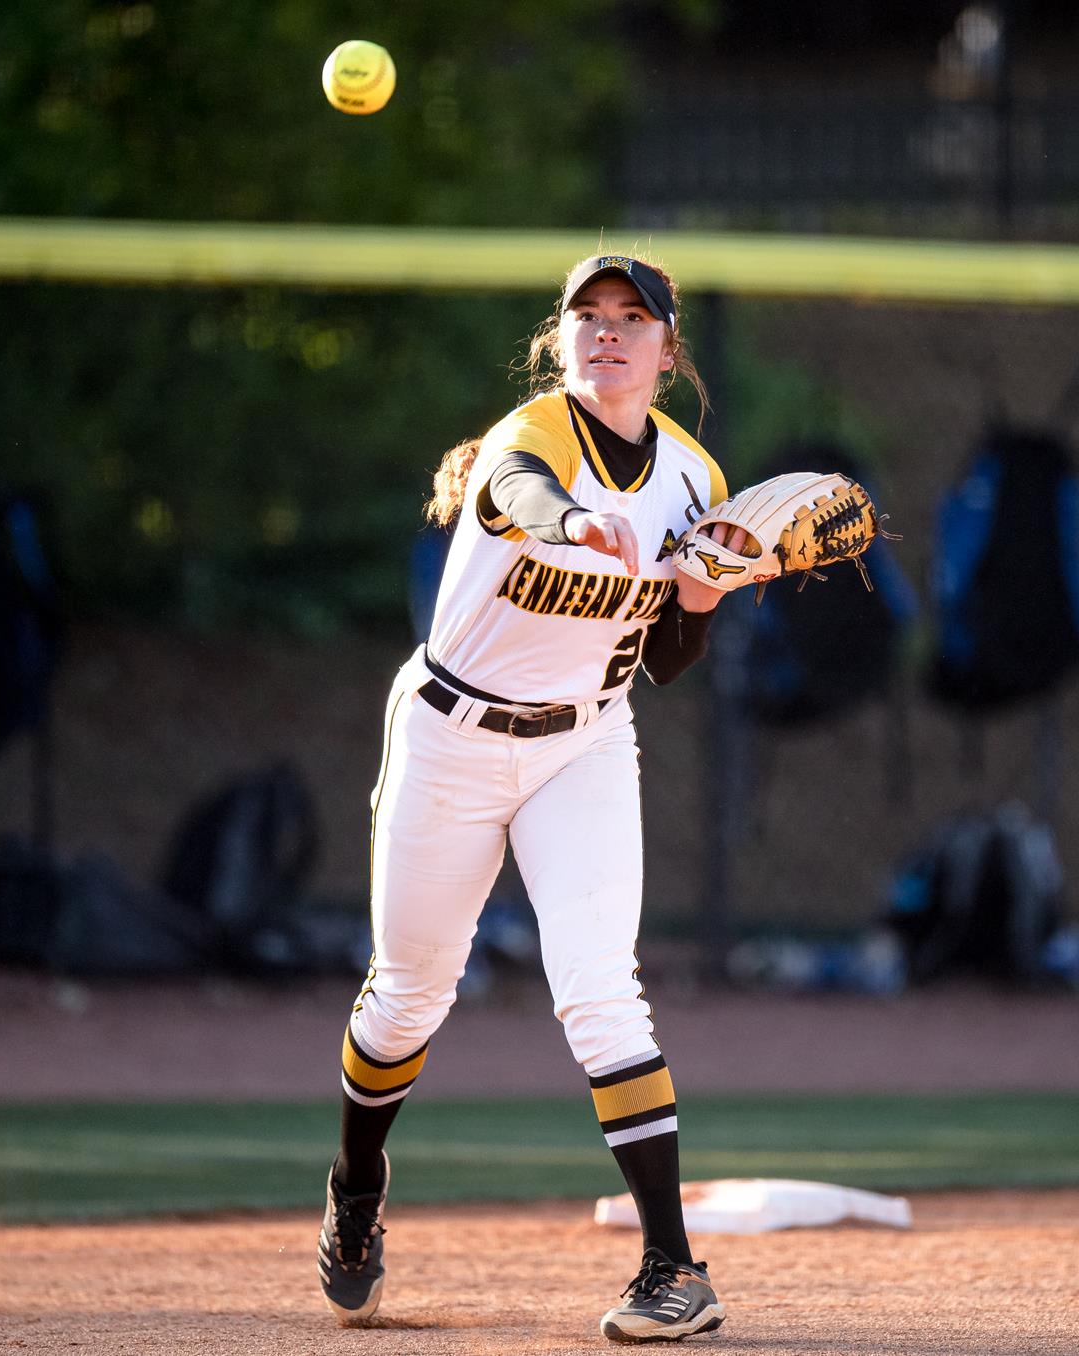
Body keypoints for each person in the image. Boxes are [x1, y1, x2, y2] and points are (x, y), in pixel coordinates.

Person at [317, 252, 734, 1344]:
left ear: (665, 349)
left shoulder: (694, 479)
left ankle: (672, 1269)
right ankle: (356, 1191)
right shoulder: (530, 438)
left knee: (600, 990)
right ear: (558, 340)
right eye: (586, 316)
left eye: (631, 318)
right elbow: (515, 495)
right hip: (451, 736)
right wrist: (567, 527)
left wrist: (700, 586)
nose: (607, 333)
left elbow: (672, 658)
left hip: (582, 748)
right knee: (408, 994)